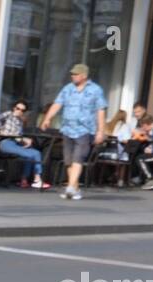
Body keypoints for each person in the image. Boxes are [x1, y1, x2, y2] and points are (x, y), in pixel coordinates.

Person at [41, 63, 107, 201]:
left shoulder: (95, 90)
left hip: (85, 130)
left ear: (84, 76)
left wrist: (101, 131)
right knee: (68, 161)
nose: (73, 76)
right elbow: (57, 103)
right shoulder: (68, 89)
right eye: (72, 74)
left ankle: (70, 187)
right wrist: (47, 118)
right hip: (67, 128)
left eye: (76, 74)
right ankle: (75, 189)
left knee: (78, 157)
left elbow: (100, 110)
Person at [0, 98, 49, 189]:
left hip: (15, 143)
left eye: (22, 110)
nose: (19, 111)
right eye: (17, 108)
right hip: (5, 142)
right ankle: (37, 180)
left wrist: (23, 140)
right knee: (30, 154)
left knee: (36, 153)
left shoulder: (20, 121)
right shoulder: (9, 114)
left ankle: (25, 180)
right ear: (14, 108)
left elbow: (18, 136)